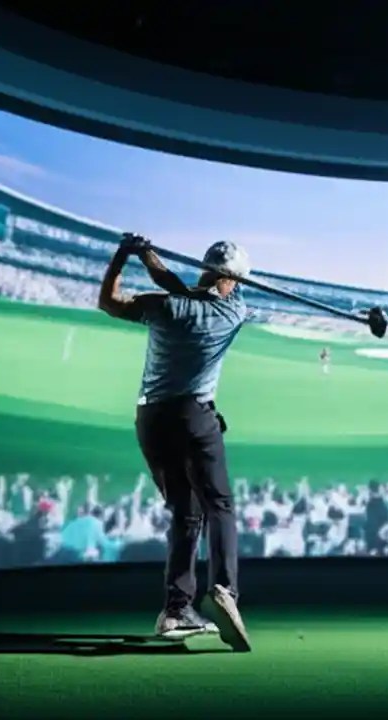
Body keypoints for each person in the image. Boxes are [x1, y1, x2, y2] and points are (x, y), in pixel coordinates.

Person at [98, 233, 252, 652]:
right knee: (218, 504)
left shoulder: (163, 306)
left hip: (150, 419)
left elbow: (109, 301)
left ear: (205, 269)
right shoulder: (235, 311)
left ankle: (176, 609)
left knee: (185, 512)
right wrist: (151, 260)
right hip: (194, 417)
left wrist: (129, 255)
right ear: (232, 281)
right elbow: (193, 292)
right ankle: (225, 591)